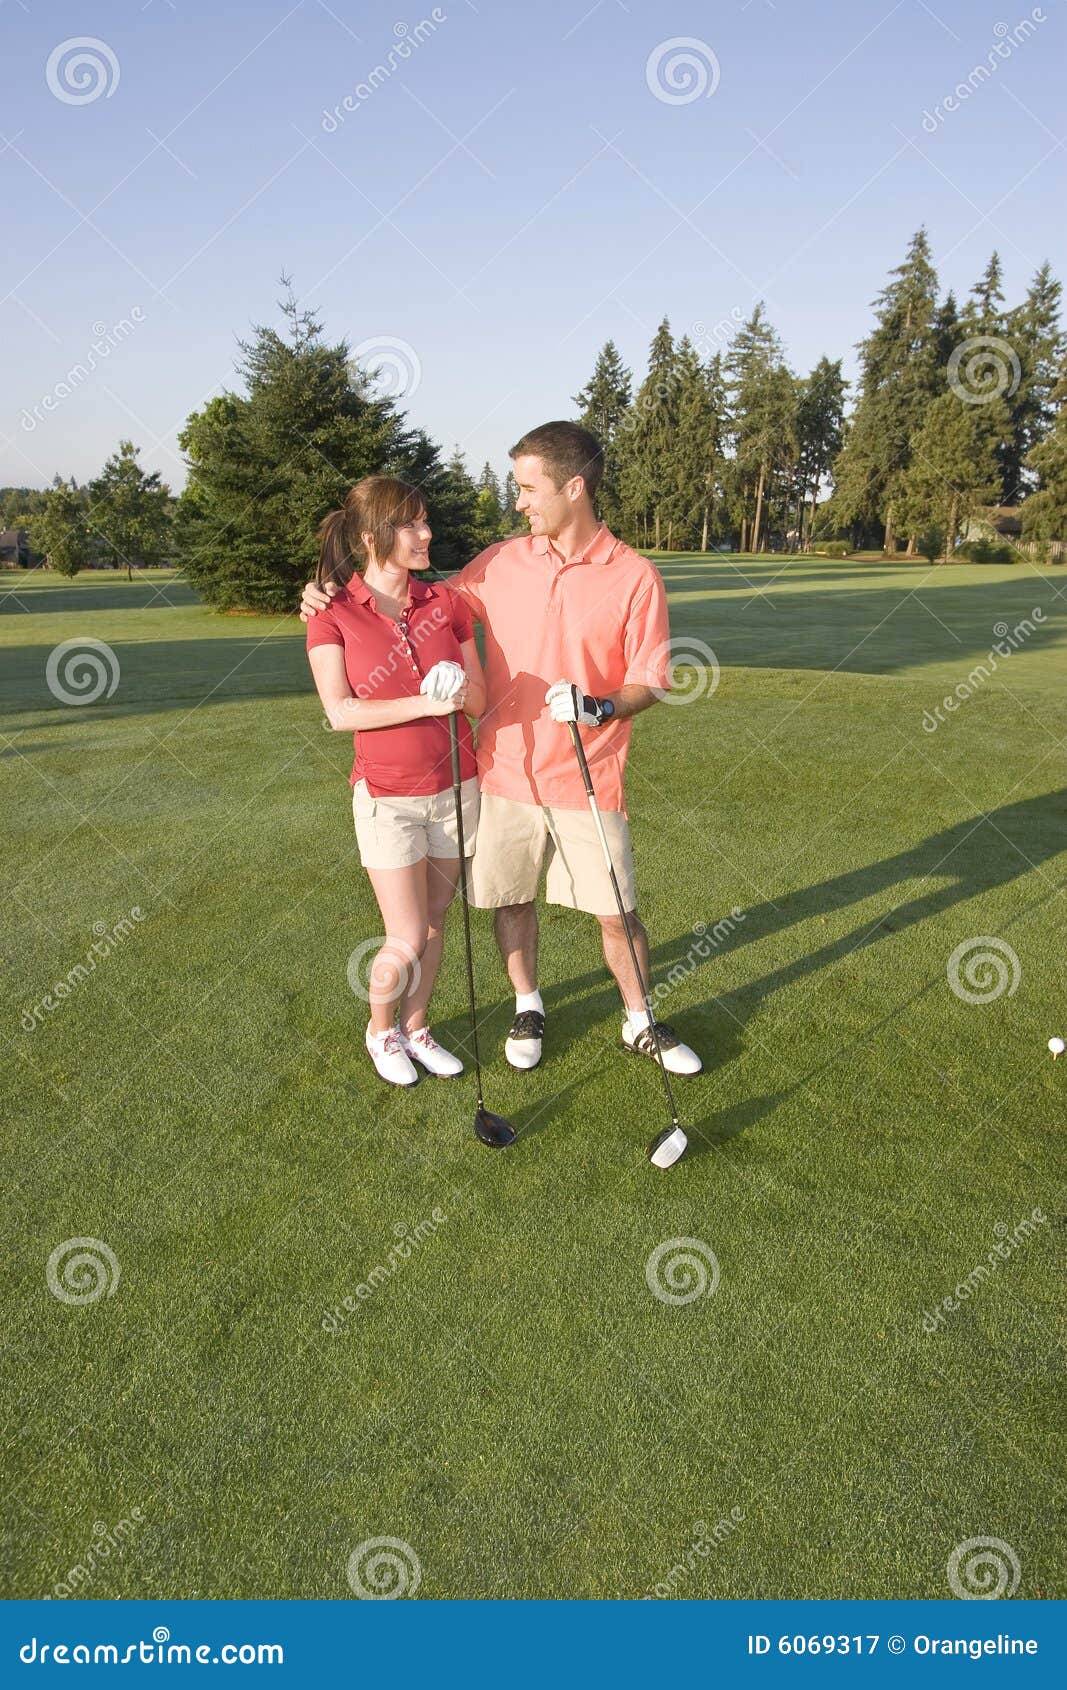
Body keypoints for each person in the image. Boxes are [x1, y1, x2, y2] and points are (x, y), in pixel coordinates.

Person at [302, 425, 702, 1079]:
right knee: (510, 900)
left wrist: (601, 705)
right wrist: (326, 589)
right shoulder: (498, 562)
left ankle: (640, 1020)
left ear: (573, 488)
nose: (517, 502)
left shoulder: (634, 575)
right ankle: (527, 1004)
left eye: (526, 488)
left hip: (586, 773)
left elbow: (652, 678)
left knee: (615, 910)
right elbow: (408, 595)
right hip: (501, 771)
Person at [305, 474, 486, 1087]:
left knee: (436, 922)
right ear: (370, 536)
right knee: (405, 933)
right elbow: (340, 712)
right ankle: (381, 1029)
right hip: (386, 798)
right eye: (410, 524)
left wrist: (458, 689)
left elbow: (480, 694)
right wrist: (427, 704)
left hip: (458, 788)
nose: (426, 533)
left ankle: (417, 1027)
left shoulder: (445, 602)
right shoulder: (331, 612)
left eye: (426, 521)